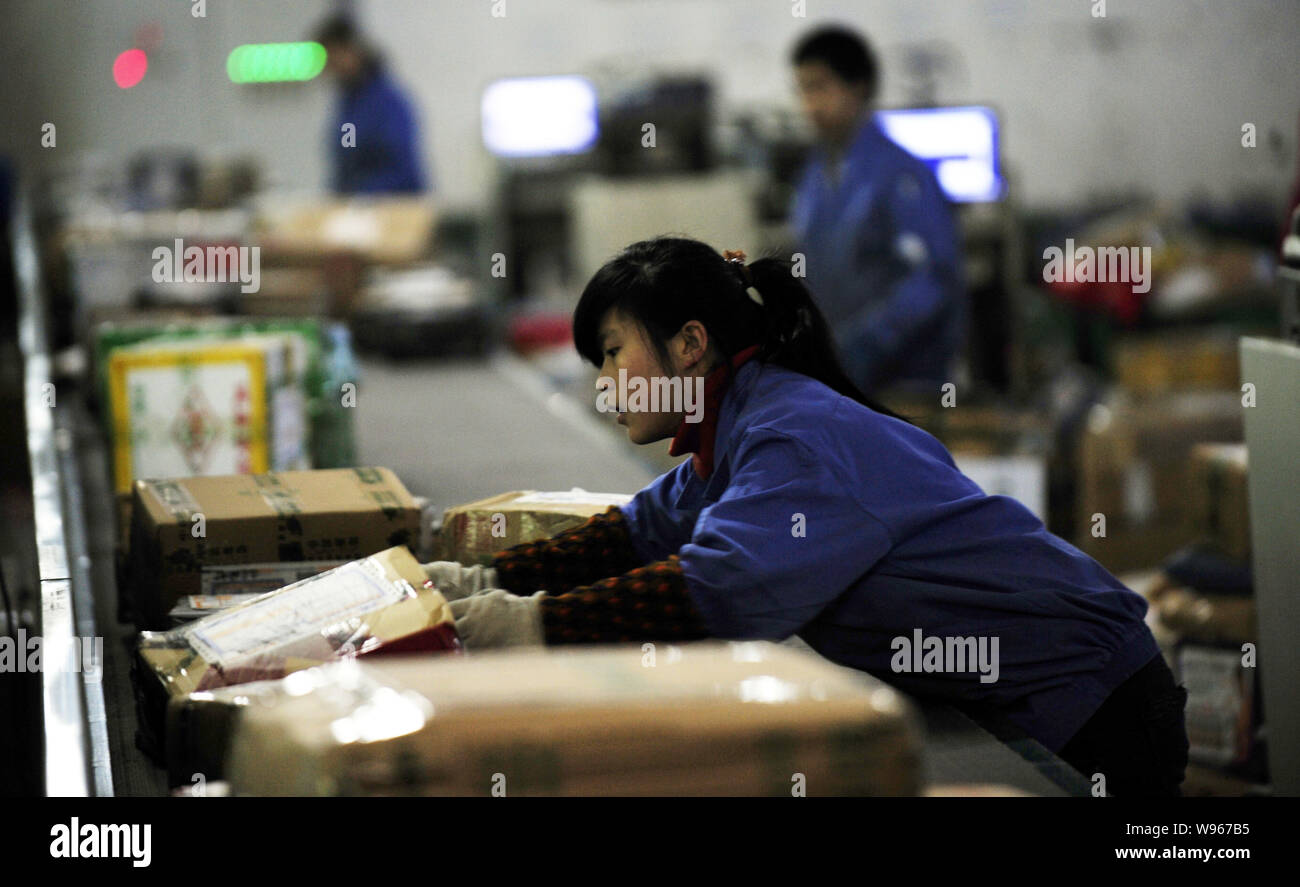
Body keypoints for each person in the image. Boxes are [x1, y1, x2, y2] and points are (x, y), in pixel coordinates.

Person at [427, 236, 1188, 796]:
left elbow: (718, 589)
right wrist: (464, 581)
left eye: (613, 352)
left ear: (691, 345)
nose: (605, 383)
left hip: (1089, 703)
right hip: (999, 682)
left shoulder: (792, 439)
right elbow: (639, 530)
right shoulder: (736, 426)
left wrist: (520, 628)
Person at [789, 25, 965, 396]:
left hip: (904, 381)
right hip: (841, 376)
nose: (809, 105)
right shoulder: (814, 177)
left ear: (858, 86)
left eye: (820, 87)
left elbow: (933, 279)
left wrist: (863, 344)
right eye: (803, 89)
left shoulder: (901, 175)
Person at [314, 14, 427, 195]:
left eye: (334, 58)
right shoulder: (347, 105)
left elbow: (400, 168)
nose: (331, 68)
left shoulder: (388, 102)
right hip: (357, 204)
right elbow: (347, 152)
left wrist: (363, 192)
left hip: (396, 206)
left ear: (351, 51)